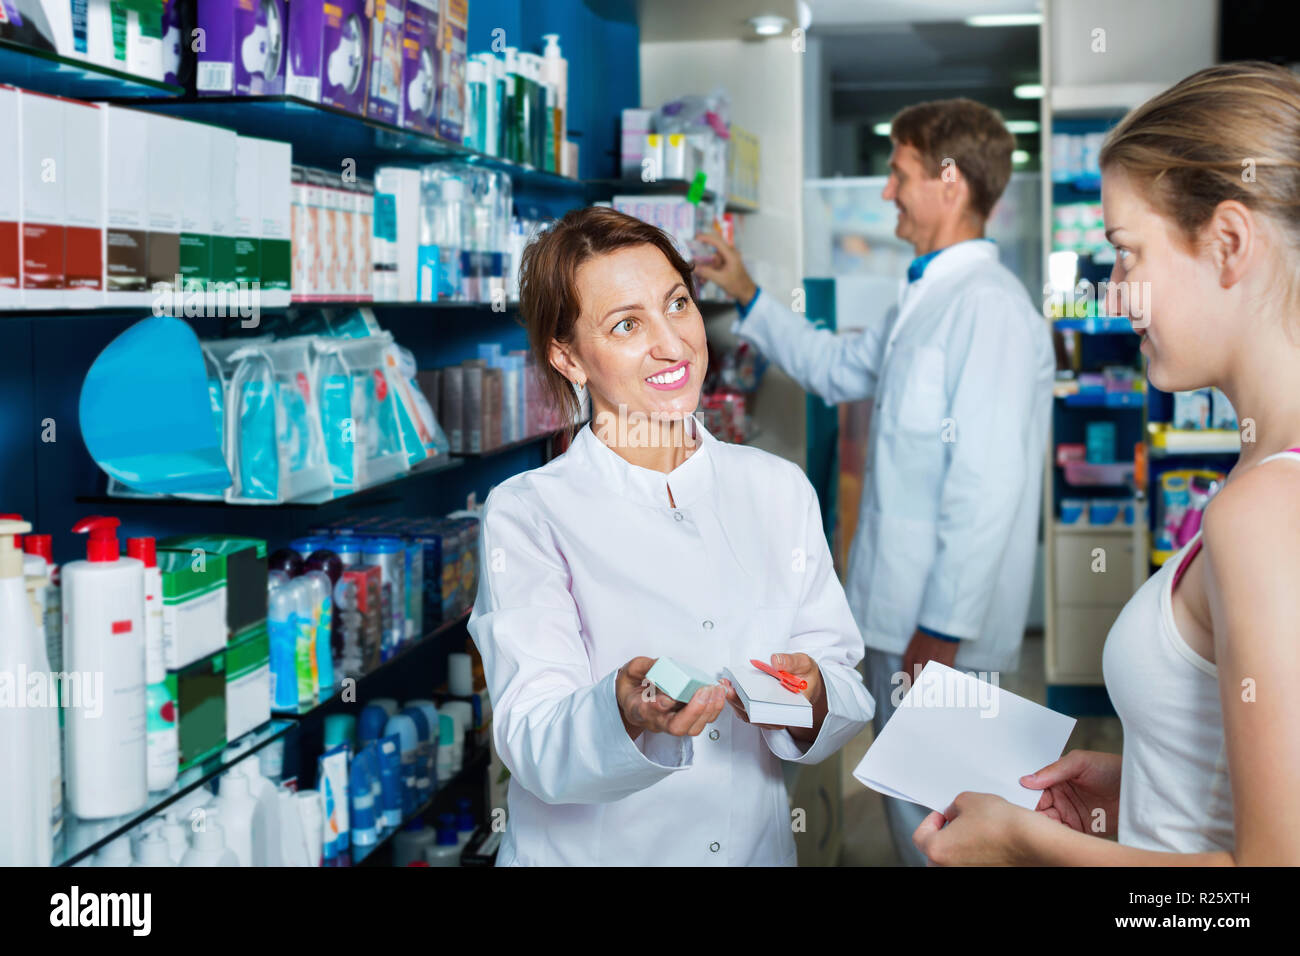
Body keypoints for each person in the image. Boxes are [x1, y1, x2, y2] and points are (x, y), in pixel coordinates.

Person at [911, 62, 1300, 866]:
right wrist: (1150, 787)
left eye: (1128, 254)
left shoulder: (1266, 512)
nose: (1116, 296)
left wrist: (1024, 844)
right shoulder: (1261, 471)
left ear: (1228, 242)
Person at [695, 99, 1054, 865]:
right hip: (900, 620)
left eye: (898, 174)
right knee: (916, 816)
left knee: (952, 831)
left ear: (948, 184)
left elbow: (986, 485)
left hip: (942, 631)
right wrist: (749, 292)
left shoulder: (988, 309)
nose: (886, 192)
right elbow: (832, 368)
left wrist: (944, 630)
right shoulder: (920, 302)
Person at [468, 206, 875, 866]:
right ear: (567, 356)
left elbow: (844, 685)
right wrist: (623, 712)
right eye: (626, 324)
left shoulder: (776, 489)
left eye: (677, 303)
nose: (673, 343)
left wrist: (815, 692)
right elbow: (531, 736)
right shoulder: (529, 512)